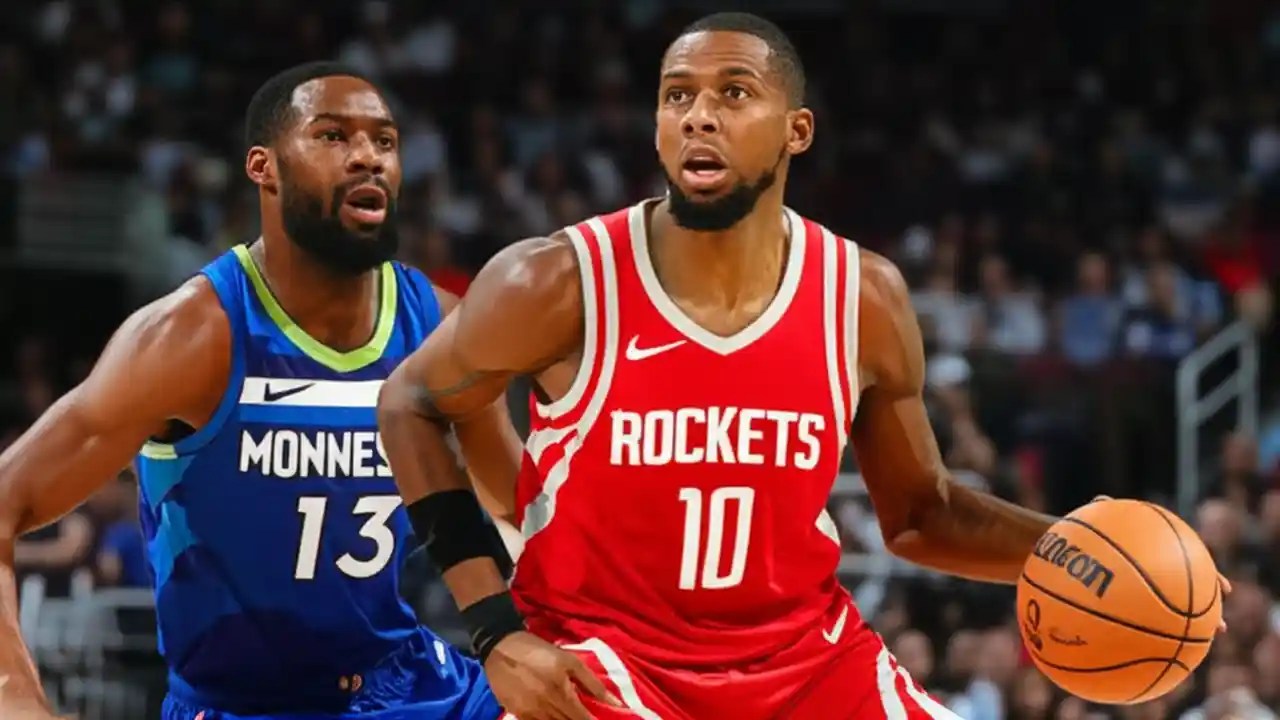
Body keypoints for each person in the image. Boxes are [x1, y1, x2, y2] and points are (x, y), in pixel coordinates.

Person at [377, 14, 1219, 720]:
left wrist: (1082, 551)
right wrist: (494, 630)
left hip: (809, 661)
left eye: (734, 93)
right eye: (679, 97)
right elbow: (412, 399)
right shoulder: (560, 279)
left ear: (797, 129)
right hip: (609, 660)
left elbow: (920, 515)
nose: (699, 116)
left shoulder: (862, 299)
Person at [0, 62, 520, 720]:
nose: (367, 156)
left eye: (384, 141)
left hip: (410, 684)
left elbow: (527, 509)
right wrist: (14, 692)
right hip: (248, 704)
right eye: (333, 136)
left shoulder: (437, 326)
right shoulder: (190, 339)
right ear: (263, 167)